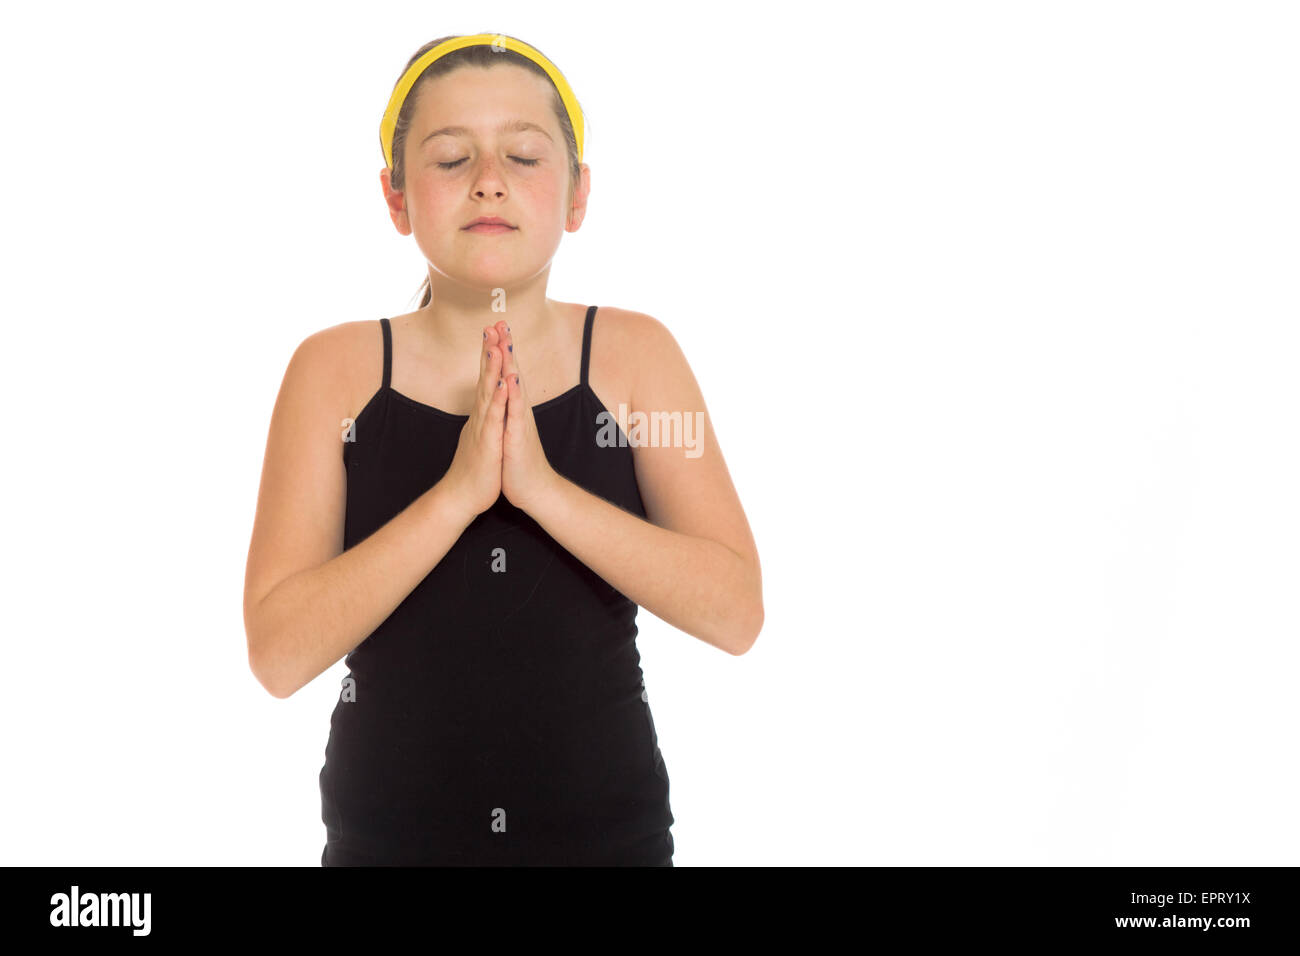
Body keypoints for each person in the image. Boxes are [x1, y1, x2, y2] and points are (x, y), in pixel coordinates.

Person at [242, 33, 763, 866]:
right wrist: (455, 495)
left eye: (523, 153)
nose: (489, 178)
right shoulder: (332, 372)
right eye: (451, 159)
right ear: (397, 196)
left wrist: (542, 489)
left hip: (611, 843)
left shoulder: (637, 358)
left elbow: (736, 611)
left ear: (578, 193)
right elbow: (277, 652)